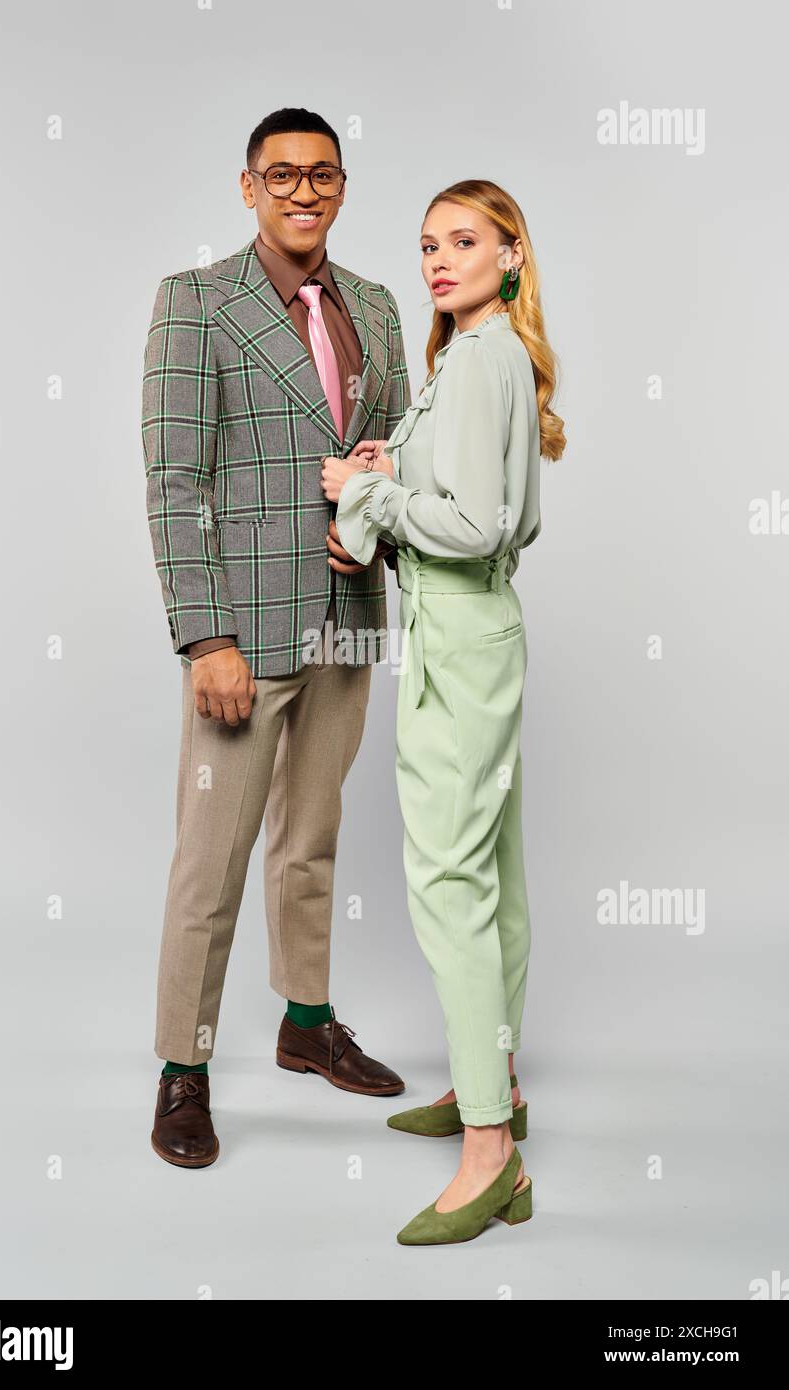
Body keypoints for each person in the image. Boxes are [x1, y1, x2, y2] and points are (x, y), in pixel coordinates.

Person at [142, 107, 411, 1169]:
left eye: (324, 175)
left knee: (312, 839)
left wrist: (376, 524)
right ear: (248, 186)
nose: (304, 192)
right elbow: (174, 480)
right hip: (243, 635)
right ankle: (184, 1067)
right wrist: (205, 635)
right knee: (210, 864)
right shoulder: (196, 303)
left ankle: (306, 1023)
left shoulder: (379, 309)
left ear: (342, 187)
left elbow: (389, 449)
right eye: (283, 175)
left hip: (347, 624)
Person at [322, 179, 566, 1243]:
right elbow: (518, 519)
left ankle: (488, 1154)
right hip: (486, 634)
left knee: (450, 884)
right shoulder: (488, 356)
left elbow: (471, 525)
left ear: (512, 255)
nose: (438, 259)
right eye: (428, 243)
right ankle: (499, 1089)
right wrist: (395, 463)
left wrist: (365, 492)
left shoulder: (476, 362)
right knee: (495, 871)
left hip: (457, 642)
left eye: (464, 241)